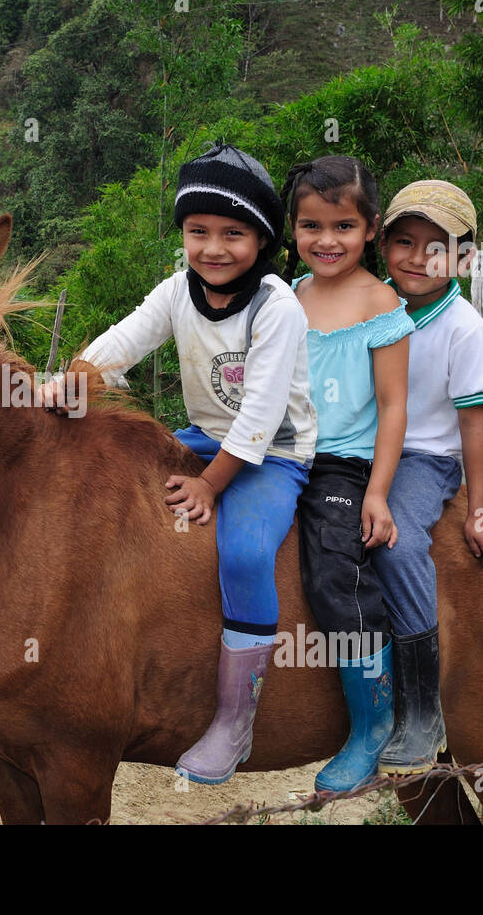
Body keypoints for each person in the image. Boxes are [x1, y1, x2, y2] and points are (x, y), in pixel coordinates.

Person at [45, 144, 316, 784]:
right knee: (110, 470)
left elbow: (258, 416)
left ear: (264, 239)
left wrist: (210, 485)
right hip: (203, 433)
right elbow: (126, 339)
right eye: (198, 232)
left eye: (233, 233)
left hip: (271, 452)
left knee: (247, 553)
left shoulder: (278, 307)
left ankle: (234, 720)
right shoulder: (179, 289)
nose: (213, 249)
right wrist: (75, 378)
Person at [281, 155, 413, 793]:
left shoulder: (379, 300)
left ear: (370, 229)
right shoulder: (290, 294)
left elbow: (393, 408)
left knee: (337, 570)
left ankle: (372, 725)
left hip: (342, 462)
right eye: (310, 226)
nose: (325, 241)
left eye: (342, 226)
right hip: (281, 448)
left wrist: (379, 493)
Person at [372, 180, 483, 775]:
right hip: (363, 447)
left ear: (464, 260)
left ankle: (422, 706)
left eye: (437, 247)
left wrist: (478, 508)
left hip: (425, 457)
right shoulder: (374, 306)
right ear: (383, 245)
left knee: (396, 543)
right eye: (405, 241)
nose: (418, 257)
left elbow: (473, 427)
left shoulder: (465, 331)